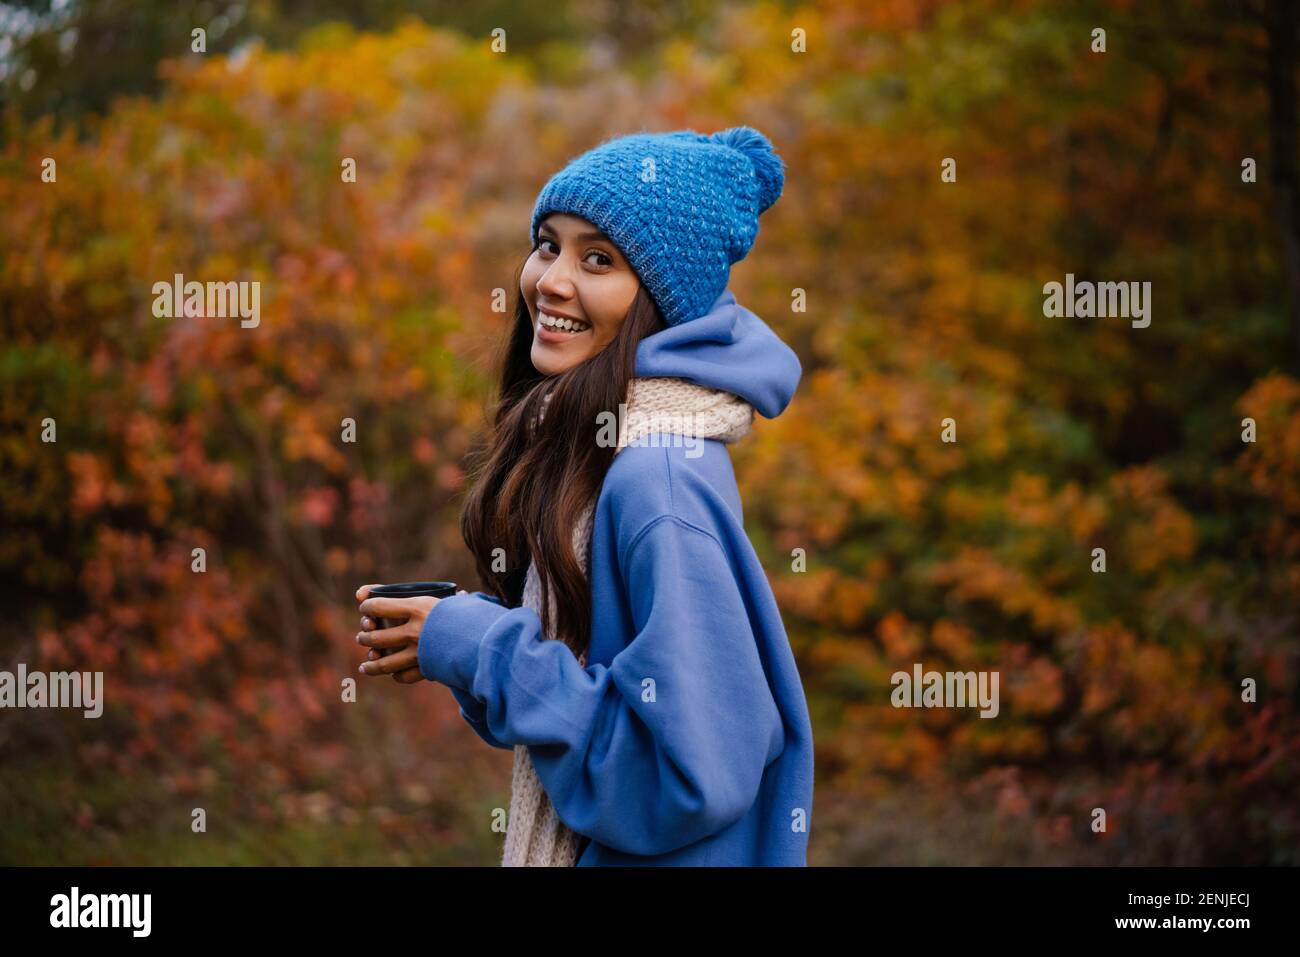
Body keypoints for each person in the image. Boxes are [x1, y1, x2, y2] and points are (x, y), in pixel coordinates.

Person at [355, 126, 814, 866]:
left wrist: (482, 645)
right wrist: (461, 648)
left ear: (659, 300)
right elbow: (600, 688)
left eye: (597, 258)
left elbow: (689, 771)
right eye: (547, 244)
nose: (552, 280)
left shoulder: (655, 479)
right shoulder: (613, 447)